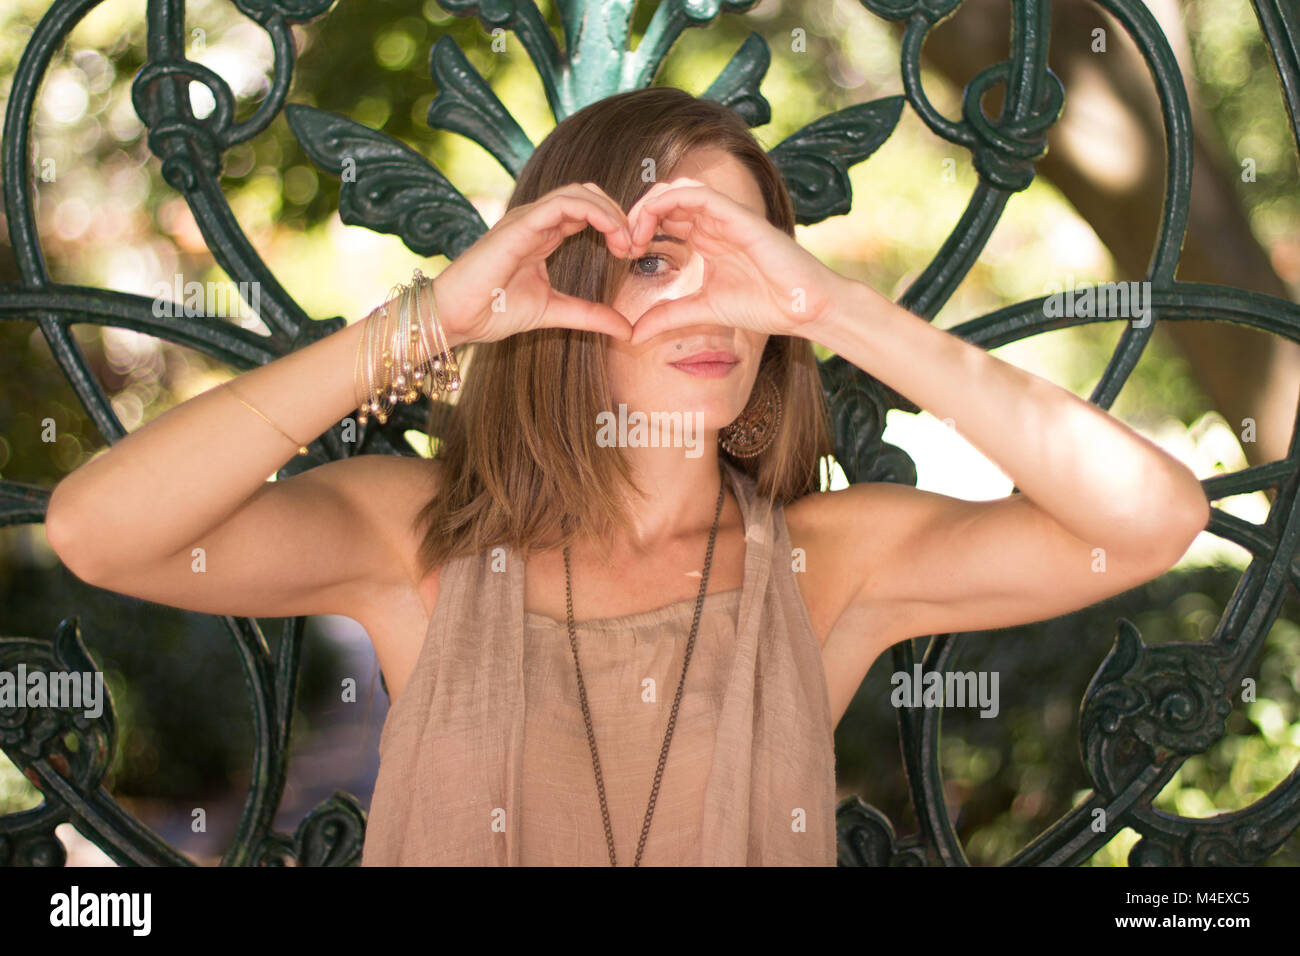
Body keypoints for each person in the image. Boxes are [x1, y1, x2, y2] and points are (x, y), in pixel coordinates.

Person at [44, 87, 1209, 866]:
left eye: (742, 259)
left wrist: (834, 307)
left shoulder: (831, 558)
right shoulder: (421, 536)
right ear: (568, 275)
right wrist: (431, 320)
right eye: (658, 260)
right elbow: (101, 529)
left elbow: (1153, 516)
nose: (711, 300)